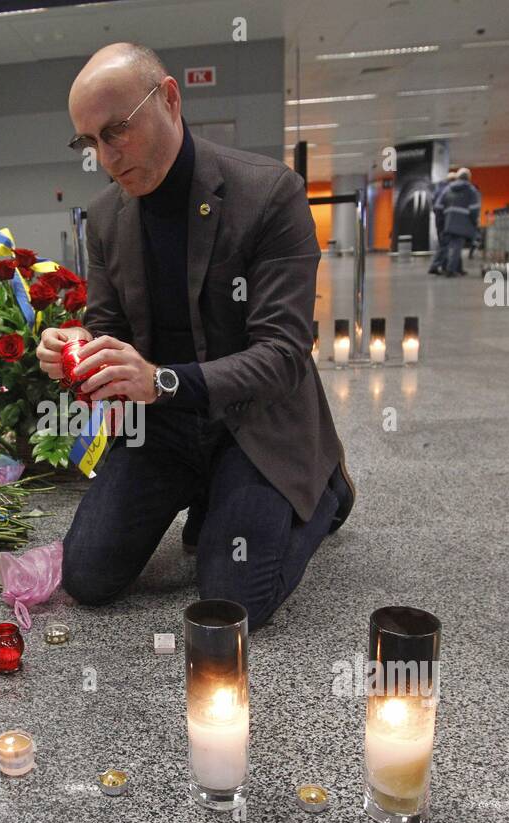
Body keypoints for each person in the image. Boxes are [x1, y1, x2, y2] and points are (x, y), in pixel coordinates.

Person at [36, 43, 353, 630]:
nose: (104, 158)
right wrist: (74, 346)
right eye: (89, 143)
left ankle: (324, 489)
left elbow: (283, 356)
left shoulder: (269, 193)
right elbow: (109, 329)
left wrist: (161, 380)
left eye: (116, 132)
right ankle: (209, 492)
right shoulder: (106, 217)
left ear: (171, 99)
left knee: (232, 603)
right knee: (87, 577)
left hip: (252, 419)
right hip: (166, 425)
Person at [433, 167, 480, 276]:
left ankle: (437, 266)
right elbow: (474, 209)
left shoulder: (447, 189)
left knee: (445, 245)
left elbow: (438, 206)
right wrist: (474, 222)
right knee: (457, 247)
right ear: (469, 178)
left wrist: (441, 219)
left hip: (447, 221)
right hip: (463, 222)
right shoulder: (471, 190)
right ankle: (451, 270)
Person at [428, 169, 457, 275]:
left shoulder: (438, 189)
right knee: (445, 245)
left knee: (443, 244)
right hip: (445, 221)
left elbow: (434, 206)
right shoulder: (447, 191)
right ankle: (435, 266)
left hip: (439, 220)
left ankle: (443, 266)